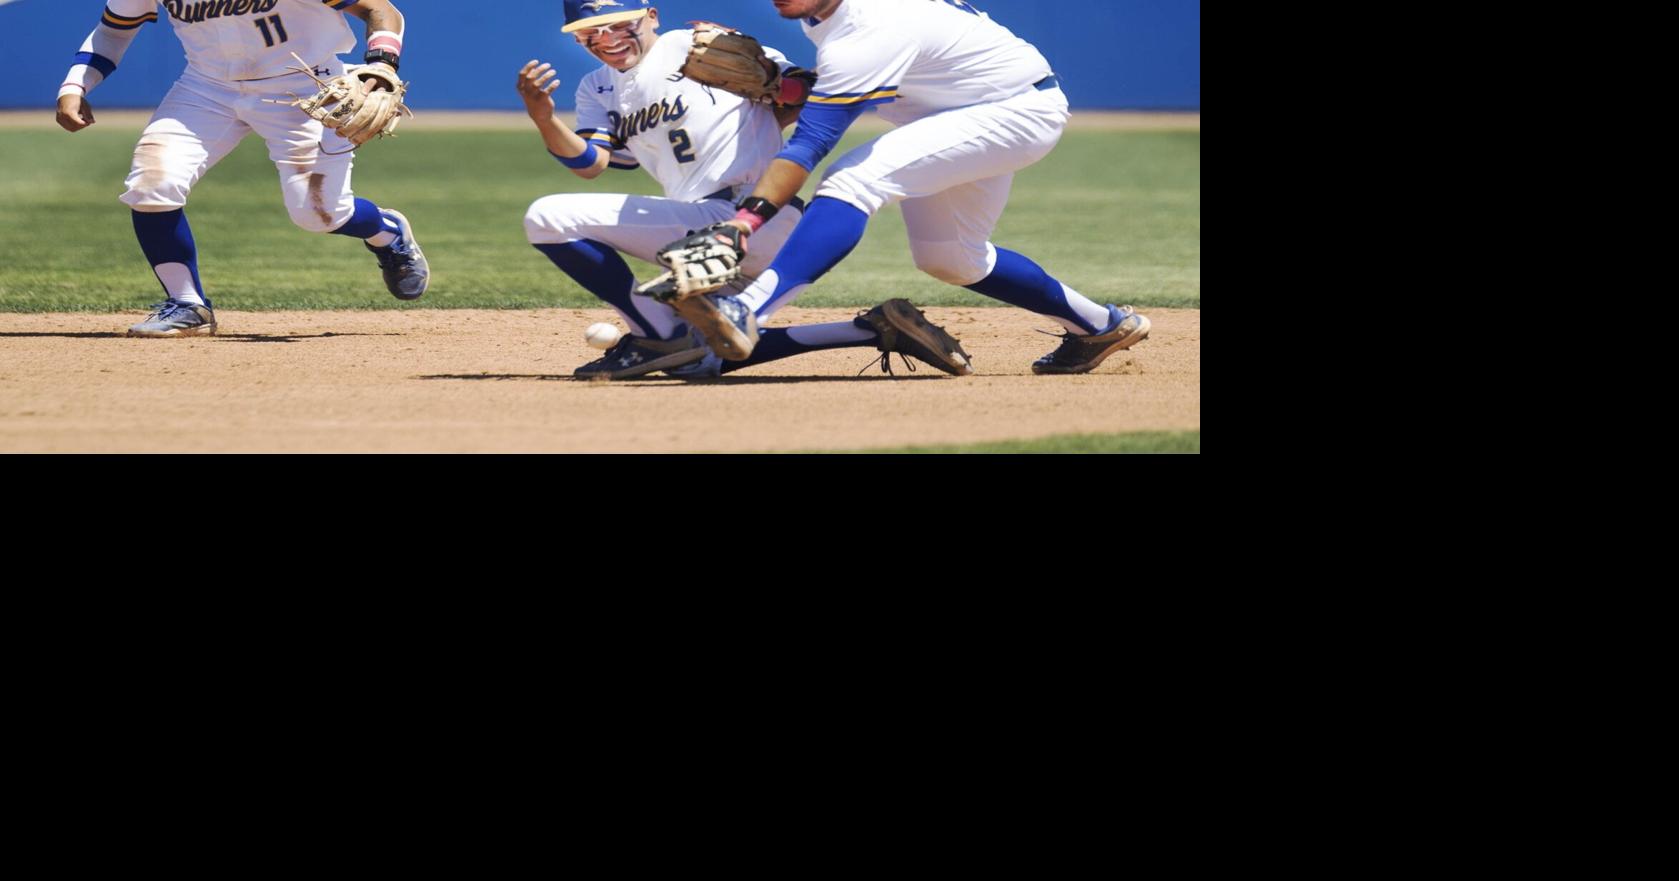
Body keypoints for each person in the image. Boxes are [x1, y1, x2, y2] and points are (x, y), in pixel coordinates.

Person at [668, 0, 1150, 374]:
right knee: (951, 258)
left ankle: (750, 309)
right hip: (962, 109)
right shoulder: (831, 14)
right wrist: (787, 87)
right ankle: (1101, 325)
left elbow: (811, 142)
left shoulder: (871, 25)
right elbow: (873, 78)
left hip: (1012, 111)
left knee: (854, 180)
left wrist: (743, 223)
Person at [520, 0, 971, 379]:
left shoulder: (697, 45)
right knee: (696, 358)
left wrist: (776, 86)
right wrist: (543, 116)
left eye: (619, 24)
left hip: (750, 216)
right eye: (589, 33)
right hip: (704, 237)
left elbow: (807, 92)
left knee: (547, 217)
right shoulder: (595, 87)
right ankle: (872, 330)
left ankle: (654, 337)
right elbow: (592, 163)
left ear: (651, 16)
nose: (606, 38)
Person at [55, 0, 430, 337]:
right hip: (206, 88)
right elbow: (114, 30)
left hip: (308, 86)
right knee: (152, 184)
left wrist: (381, 65)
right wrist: (75, 85)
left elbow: (382, 10)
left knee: (319, 214)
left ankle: (388, 231)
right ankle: (188, 305)